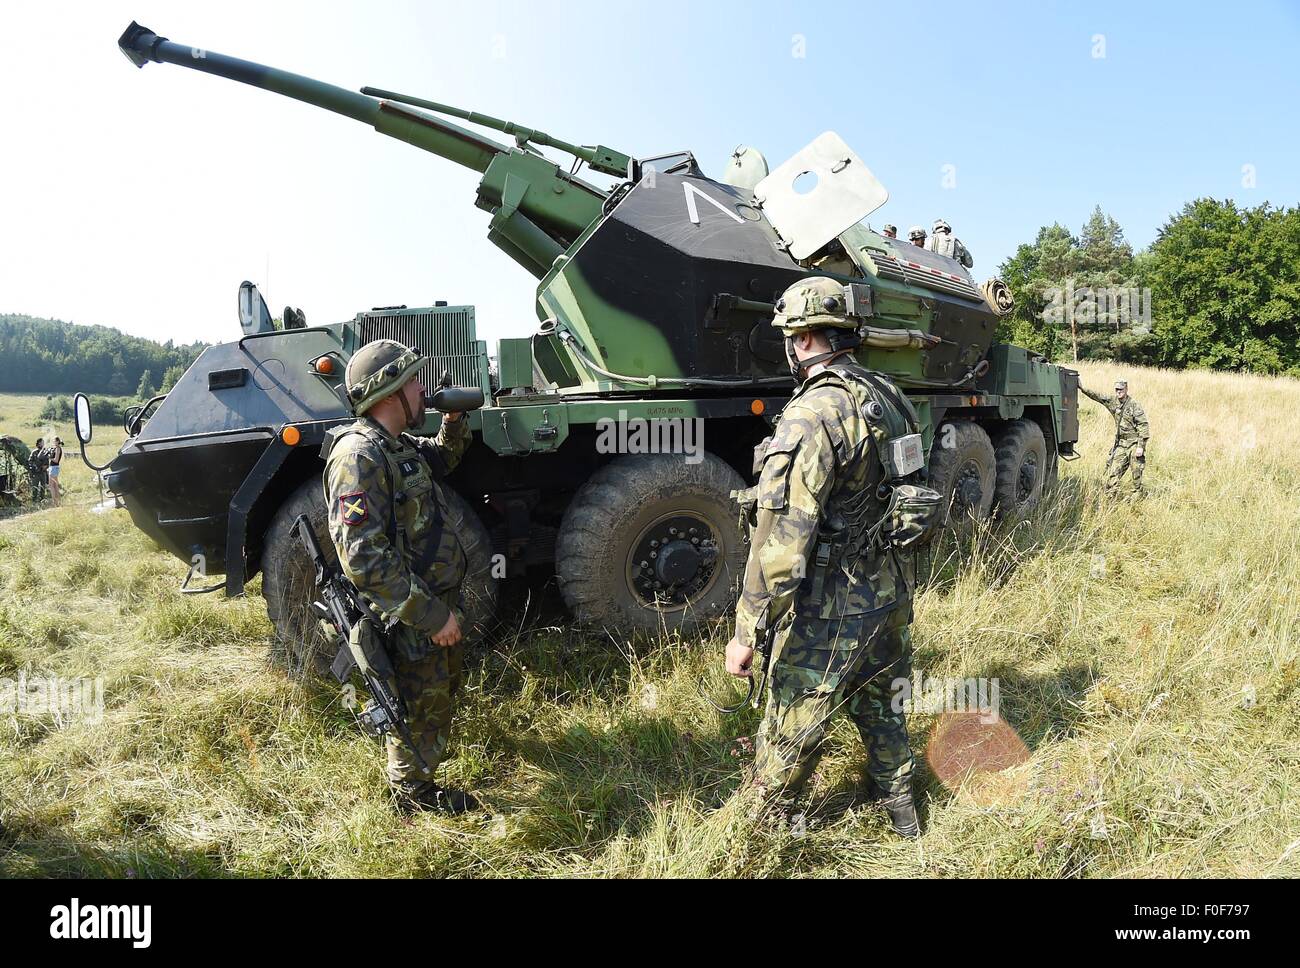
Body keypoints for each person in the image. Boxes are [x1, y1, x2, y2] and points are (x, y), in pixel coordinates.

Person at [725, 276, 939, 838]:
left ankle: (765, 831)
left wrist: (748, 631)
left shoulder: (811, 415)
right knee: (884, 703)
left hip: (831, 605)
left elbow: (783, 544)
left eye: (791, 341)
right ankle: (901, 808)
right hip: (888, 594)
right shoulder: (889, 397)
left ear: (801, 341)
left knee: (793, 723)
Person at [322, 338, 476, 813]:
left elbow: (441, 460)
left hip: (429, 601)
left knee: (436, 697)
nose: (425, 389)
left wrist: (453, 422)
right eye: (415, 382)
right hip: (408, 614)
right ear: (390, 393)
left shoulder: (395, 446)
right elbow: (364, 558)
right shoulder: (358, 457)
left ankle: (418, 777)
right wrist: (431, 616)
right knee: (415, 708)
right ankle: (413, 797)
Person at [1081, 379, 1150, 498]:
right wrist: (1082, 388)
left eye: (1121, 389)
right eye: (1117, 389)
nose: (1119, 392)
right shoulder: (1113, 402)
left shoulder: (1134, 405)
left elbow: (1143, 425)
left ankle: (1137, 499)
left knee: (1136, 474)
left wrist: (1140, 447)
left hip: (1134, 443)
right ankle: (1111, 498)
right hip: (1121, 444)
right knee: (1112, 473)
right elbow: (1098, 396)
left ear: (1126, 389)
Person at [29, 438, 49, 503]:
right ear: (39, 443)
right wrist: (35, 467)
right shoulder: (34, 452)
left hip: (43, 472)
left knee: (43, 487)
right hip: (36, 473)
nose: (43, 443)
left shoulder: (45, 452)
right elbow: (30, 461)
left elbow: (47, 462)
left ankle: (42, 499)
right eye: (42, 442)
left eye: (43, 442)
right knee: (35, 487)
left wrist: (46, 466)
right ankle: (34, 500)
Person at [47, 437, 64, 506]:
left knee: (51, 485)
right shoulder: (56, 448)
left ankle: (55, 502)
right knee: (55, 485)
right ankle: (58, 502)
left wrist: (49, 457)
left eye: (54, 441)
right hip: (54, 467)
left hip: (54, 467)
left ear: (57, 441)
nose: (53, 442)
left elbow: (56, 460)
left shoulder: (57, 449)